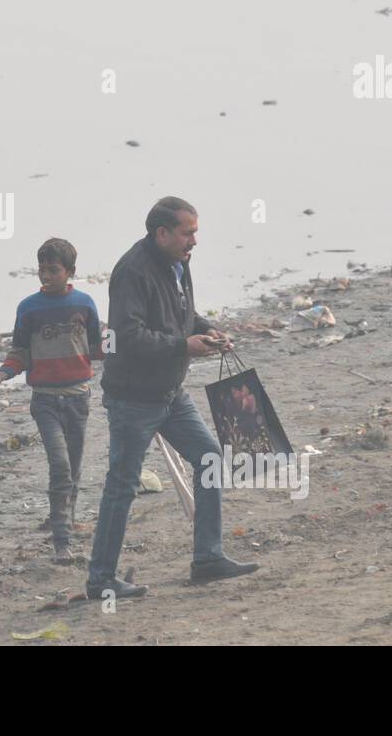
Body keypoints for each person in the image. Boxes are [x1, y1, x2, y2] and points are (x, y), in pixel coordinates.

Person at [86, 197, 260, 600]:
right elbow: (127, 337)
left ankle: (208, 559)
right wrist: (186, 346)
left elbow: (185, 315)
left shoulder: (179, 261)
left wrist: (210, 332)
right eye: (188, 232)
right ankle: (100, 580)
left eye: (196, 232)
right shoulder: (132, 271)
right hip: (133, 398)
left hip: (170, 393)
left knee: (210, 458)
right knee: (122, 486)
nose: (194, 241)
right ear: (161, 233)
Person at [0, 238, 103, 563]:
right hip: (45, 401)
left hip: (78, 399)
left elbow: (99, 348)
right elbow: (20, 353)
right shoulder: (29, 308)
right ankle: (62, 542)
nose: (46, 276)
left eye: (53, 270)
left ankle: (65, 522)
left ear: (70, 272)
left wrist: (131, 351)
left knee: (73, 469)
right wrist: (1, 375)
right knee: (60, 466)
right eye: (42, 270)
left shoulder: (85, 305)